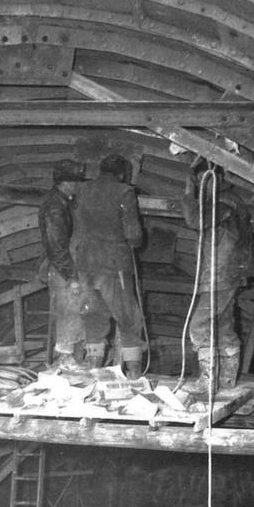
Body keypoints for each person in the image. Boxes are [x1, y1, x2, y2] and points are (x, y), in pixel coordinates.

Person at [182, 165, 254, 396]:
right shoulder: (226, 200)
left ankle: (208, 382)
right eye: (198, 181)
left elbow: (195, 220)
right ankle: (227, 379)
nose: (203, 185)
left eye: (204, 180)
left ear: (217, 178)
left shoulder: (223, 202)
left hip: (220, 273)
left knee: (199, 325)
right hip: (226, 272)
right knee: (223, 324)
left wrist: (187, 193)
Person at [71, 153, 146, 377]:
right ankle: (133, 372)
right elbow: (133, 234)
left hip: (86, 264)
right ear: (122, 173)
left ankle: (94, 367)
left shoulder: (81, 190)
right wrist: (136, 240)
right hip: (115, 267)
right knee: (128, 318)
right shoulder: (125, 191)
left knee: (93, 315)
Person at [38, 158, 88, 371]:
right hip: (63, 269)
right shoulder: (55, 206)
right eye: (77, 181)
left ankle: (73, 361)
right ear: (66, 182)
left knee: (75, 311)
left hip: (67, 266)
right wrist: (72, 276)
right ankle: (64, 362)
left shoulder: (64, 201)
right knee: (68, 311)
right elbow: (56, 244)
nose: (80, 185)